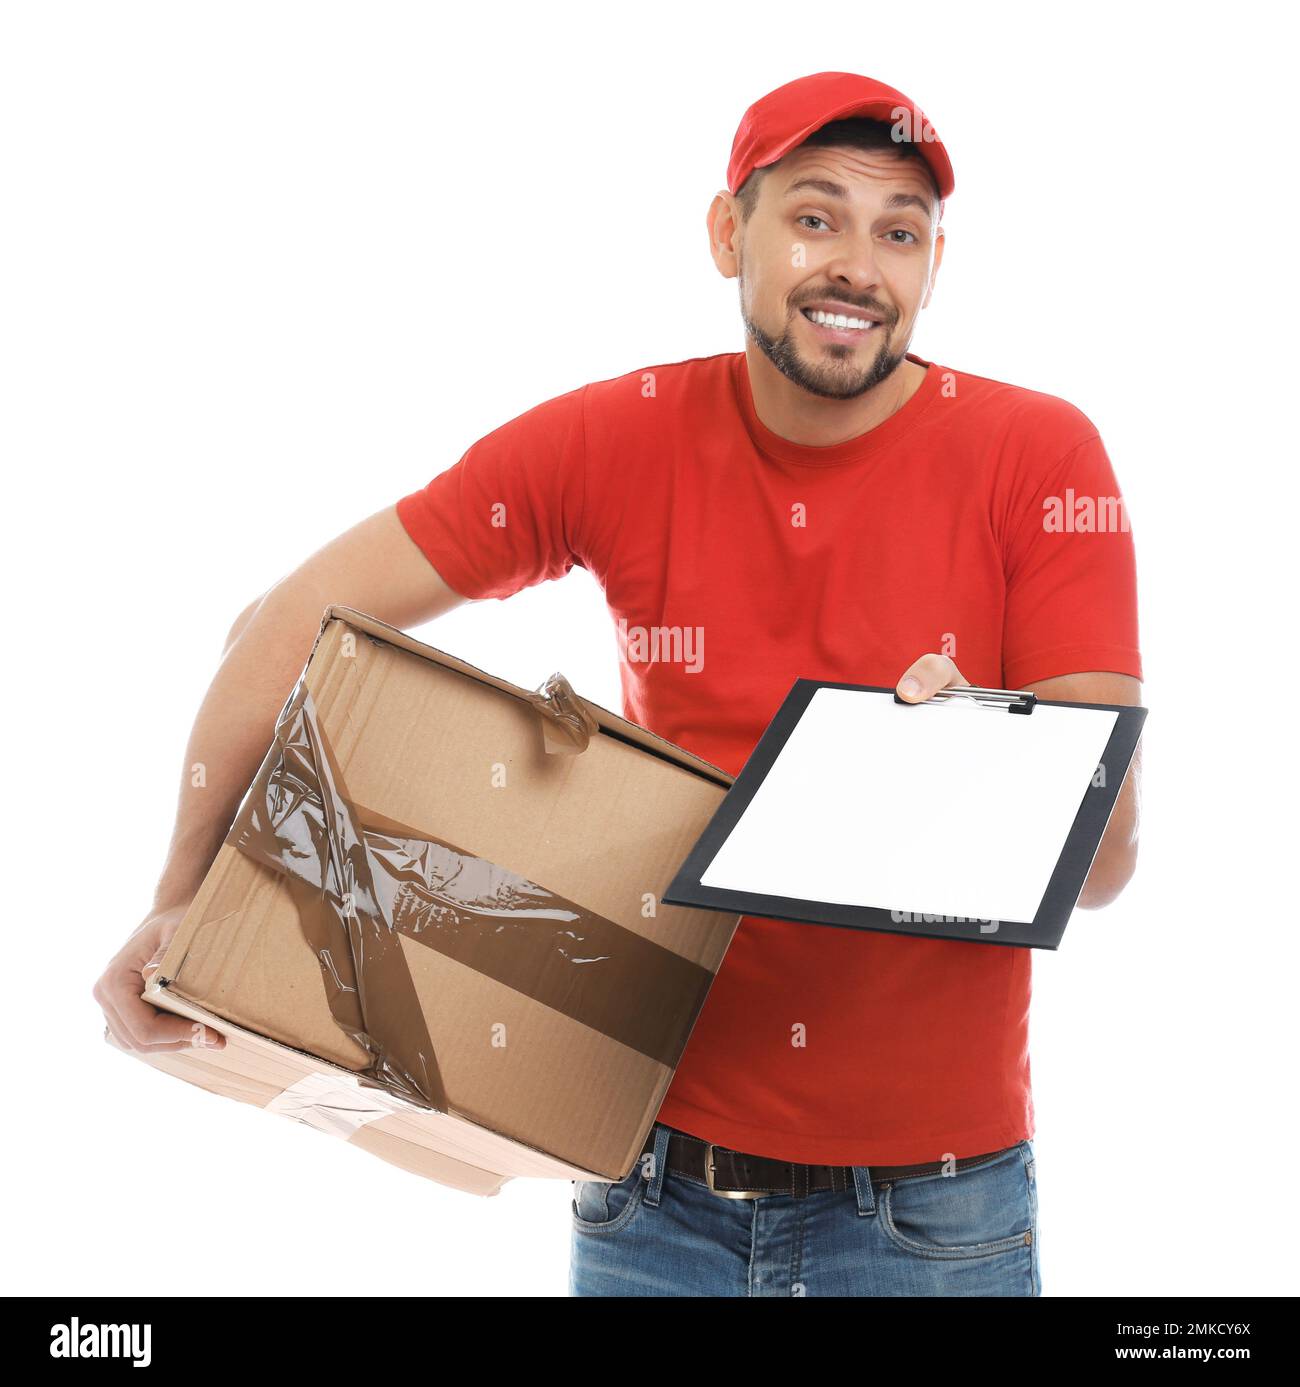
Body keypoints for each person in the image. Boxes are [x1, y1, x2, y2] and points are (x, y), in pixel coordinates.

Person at [95, 71, 1143, 1298]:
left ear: (931, 262)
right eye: (815, 216)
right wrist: (183, 901)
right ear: (726, 232)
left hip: (930, 1212)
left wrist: (968, 761)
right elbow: (284, 623)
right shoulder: (621, 436)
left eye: (898, 230)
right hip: (651, 1199)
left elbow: (1107, 857)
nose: (858, 264)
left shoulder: (1038, 455)